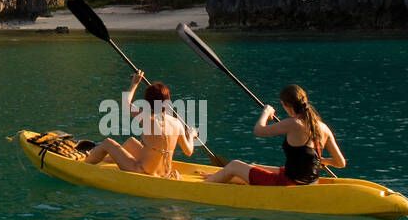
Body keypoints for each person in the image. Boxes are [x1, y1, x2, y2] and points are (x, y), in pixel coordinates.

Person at [201, 85, 345, 185]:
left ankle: (204, 186)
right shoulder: (323, 127)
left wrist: (266, 113)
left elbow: (258, 130)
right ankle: (219, 177)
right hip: (310, 181)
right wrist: (322, 160)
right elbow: (340, 163)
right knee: (253, 166)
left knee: (234, 165)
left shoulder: (293, 123)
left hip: (288, 182)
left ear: (286, 105)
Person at [83, 70, 196, 178]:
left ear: (147, 102)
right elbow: (189, 151)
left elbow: (126, 104)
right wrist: (190, 135)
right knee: (131, 142)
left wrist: (135, 83)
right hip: (166, 172)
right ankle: (105, 158)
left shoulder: (148, 118)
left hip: (143, 171)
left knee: (108, 143)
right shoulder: (177, 123)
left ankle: (84, 163)